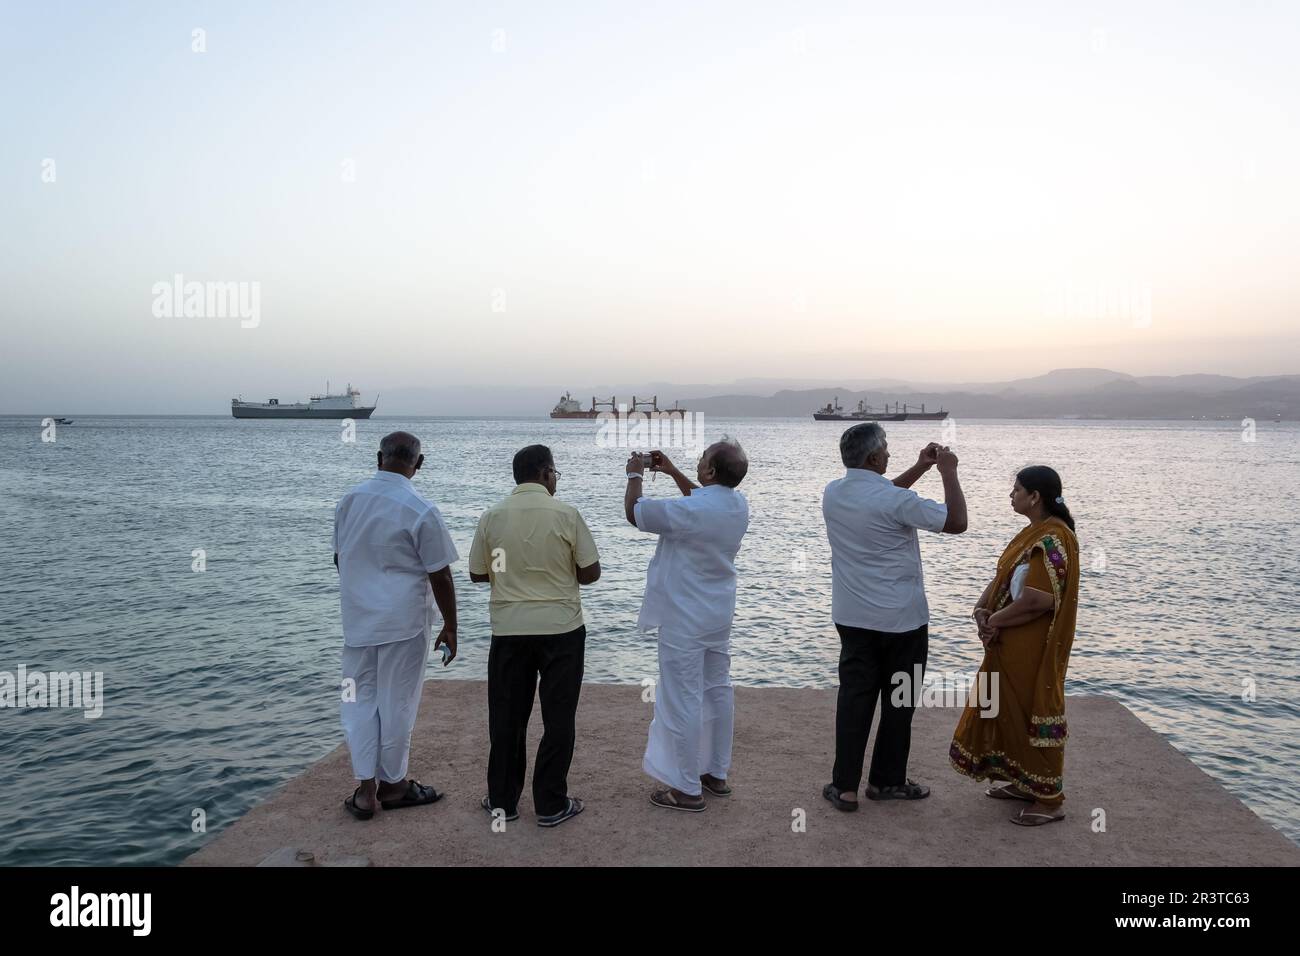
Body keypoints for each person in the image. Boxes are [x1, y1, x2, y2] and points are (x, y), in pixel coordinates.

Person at [821, 423, 967, 812]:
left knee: (854, 700)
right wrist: (947, 472)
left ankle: (845, 787)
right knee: (899, 703)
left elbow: (883, 494)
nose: (888, 454)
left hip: (853, 618)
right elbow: (956, 522)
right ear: (872, 458)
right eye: (885, 449)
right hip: (903, 621)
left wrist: (920, 466)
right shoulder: (895, 502)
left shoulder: (833, 493)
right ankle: (886, 782)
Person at [469, 444, 601, 827]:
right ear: (545, 473)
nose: (555, 480)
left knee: (507, 718)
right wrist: (559, 570)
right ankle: (550, 804)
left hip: (510, 630)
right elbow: (590, 572)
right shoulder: (567, 515)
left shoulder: (492, 516)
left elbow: (478, 574)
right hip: (561, 629)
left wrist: (510, 573)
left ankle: (503, 802)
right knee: (559, 718)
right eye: (555, 474)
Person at [333, 431, 459, 820]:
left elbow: (341, 559)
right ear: (418, 464)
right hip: (403, 623)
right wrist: (451, 626)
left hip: (358, 622)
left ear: (378, 458)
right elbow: (441, 575)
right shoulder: (420, 507)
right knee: (397, 704)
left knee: (359, 702)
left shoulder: (349, 501)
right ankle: (394, 786)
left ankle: (365, 790)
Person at [950, 465, 1079, 826]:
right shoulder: (1031, 534)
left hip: (1032, 650)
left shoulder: (1053, 538)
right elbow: (1002, 579)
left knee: (1033, 712)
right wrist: (981, 612)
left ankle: (1049, 800)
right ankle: (1024, 782)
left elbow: (1039, 600)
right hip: (1007, 644)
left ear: (1035, 497)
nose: (1011, 495)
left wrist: (993, 621)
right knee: (1006, 710)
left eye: (1017, 489)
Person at [625, 439, 750, 812]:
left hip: (684, 617)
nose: (698, 462)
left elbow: (635, 512)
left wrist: (635, 471)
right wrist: (674, 471)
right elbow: (699, 500)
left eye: (702, 460)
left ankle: (685, 788)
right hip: (718, 615)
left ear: (711, 471)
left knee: (681, 697)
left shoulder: (691, 510)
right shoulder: (737, 504)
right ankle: (715, 772)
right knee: (717, 690)